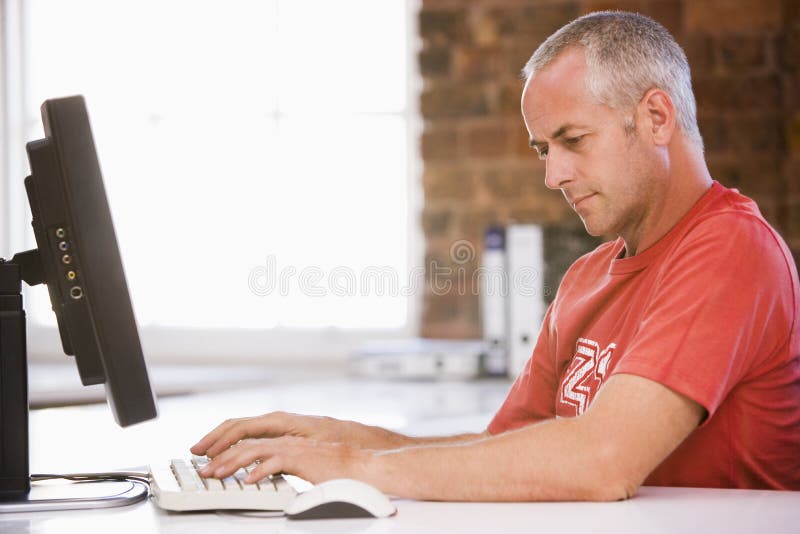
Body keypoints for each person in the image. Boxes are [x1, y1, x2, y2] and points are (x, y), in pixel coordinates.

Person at [191, 11, 800, 500]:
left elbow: (602, 461)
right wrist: (340, 441)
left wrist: (355, 466)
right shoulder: (586, 277)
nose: (554, 176)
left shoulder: (731, 247)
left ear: (656, 118)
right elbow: (501, 454)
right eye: (544, 150)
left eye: (573, 140)